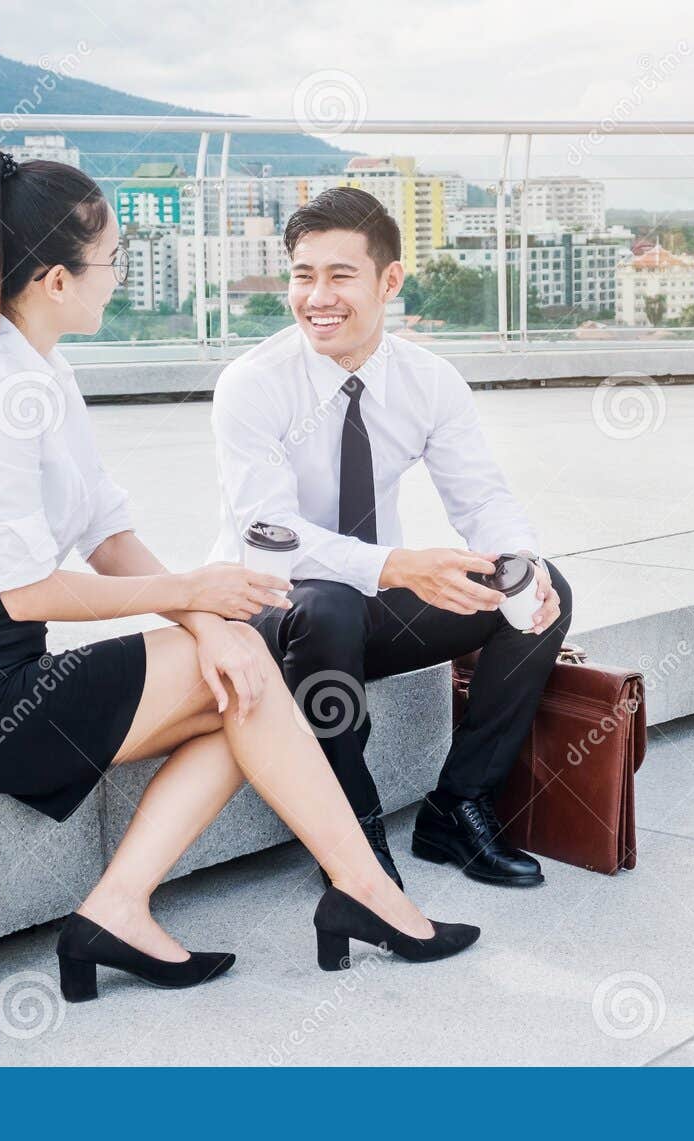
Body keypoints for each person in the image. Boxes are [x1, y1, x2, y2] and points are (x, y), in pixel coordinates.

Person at [0, 151, 478, 1001]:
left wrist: (206, 621)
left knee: (234, 673)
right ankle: (369, 893)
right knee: (245, 671)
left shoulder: (43, 371)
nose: (119, 274)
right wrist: (193, 594)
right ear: (57, 279)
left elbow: (105, 533)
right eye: (112, 259)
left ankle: (119, 907)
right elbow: (28, 592)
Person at [210, 186, 573, 890]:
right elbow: (271, 543)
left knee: (539, 588)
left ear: (390, 281)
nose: (318, 297)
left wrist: (522, 566)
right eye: (303, 275)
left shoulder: (428, 381)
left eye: (340, 276)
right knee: (327, 605)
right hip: (268, 610)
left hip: (368, 600)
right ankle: (351, 830)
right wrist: (399, 565)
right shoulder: (254, 384)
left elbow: (482, 498)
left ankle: (458, 804)